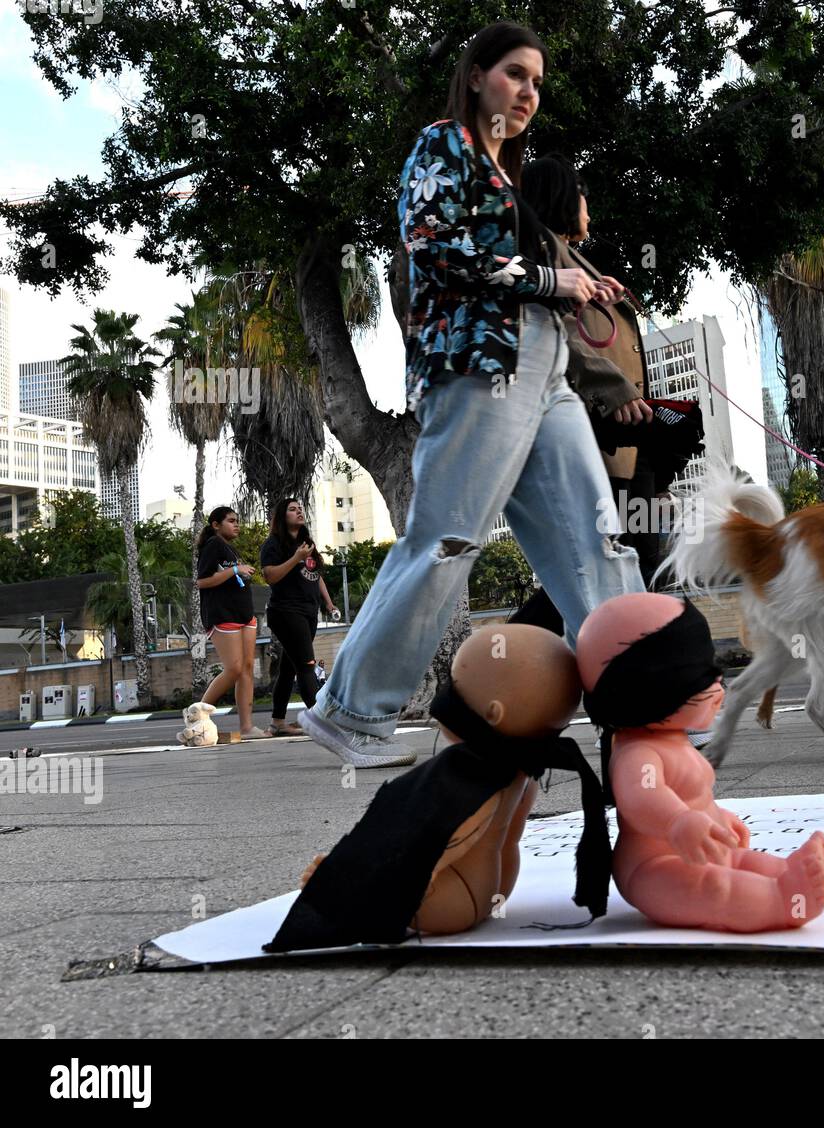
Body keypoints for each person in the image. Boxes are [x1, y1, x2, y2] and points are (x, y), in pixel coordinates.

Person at [300, 20, 644, 770]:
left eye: (538, 83)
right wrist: (554, 282)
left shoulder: (506, 175)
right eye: (516, 74)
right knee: (449, 537)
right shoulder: (442, 145)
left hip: (544, 366)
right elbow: (436, 247)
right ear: (478, 74)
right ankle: (350, 712)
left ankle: (645, 702)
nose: (528, 92)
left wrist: (576, 280)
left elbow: (513, 263)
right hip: (477, 366)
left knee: (597, 539)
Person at [506, 154, 664, 636]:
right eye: (581, 193)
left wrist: (601, 293)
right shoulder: (538, 255)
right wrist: (611, 386)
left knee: (631, 556)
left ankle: (615, 675)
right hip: (598, 435)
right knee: (601, 562)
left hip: (631, 440)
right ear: (560, 197)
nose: (587, 205)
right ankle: (507, 653)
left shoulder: (574, 259)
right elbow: (556, 335)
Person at [260, 498, 339, 737]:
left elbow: (316, 575)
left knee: (288, 669)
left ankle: (277, 723)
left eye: (300, 509)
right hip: (286, 612)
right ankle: (321, 721)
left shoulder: (307, 543)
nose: (299, 512)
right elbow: (270, 576)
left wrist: (328, 602)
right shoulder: (273, 544)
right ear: (283, 516)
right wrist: (295, 558)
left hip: (308, 611)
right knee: (307, 665)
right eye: (292, 509)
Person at [194, 506, 259, 739]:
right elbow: (202, 581)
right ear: (215, 525)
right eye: (231, 521)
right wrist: (235, 570)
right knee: (234, 669)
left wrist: (237, 570)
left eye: (237, 521)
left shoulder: (228, 548)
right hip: (223, 615)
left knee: (247, 670)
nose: (236, 525)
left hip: (244, 614)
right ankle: (197, 716)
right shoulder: (213, 545)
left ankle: (247, 727)